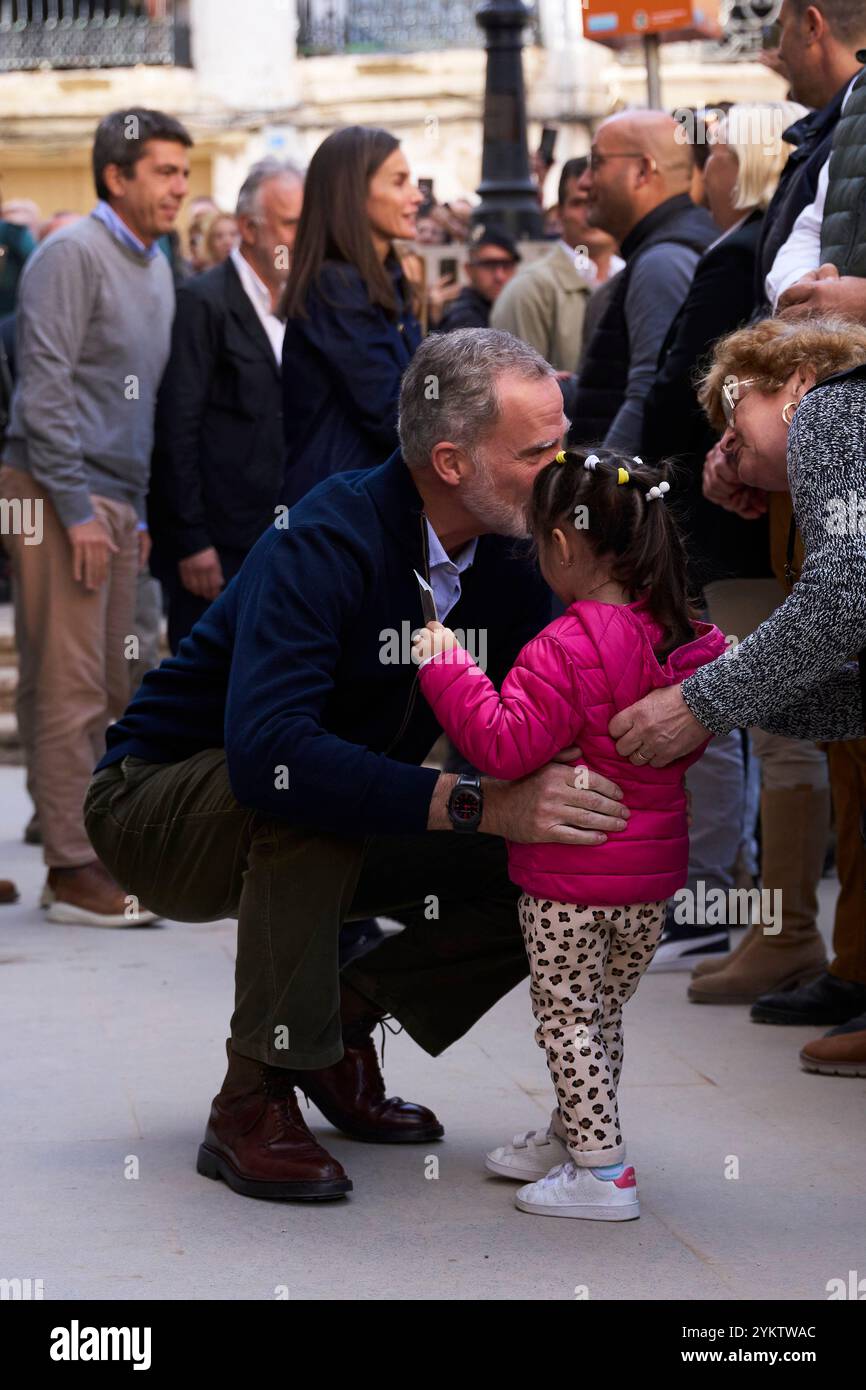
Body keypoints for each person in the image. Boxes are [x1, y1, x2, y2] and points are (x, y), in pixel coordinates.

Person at [83, 329, 633, 1204]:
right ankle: (251, 1099)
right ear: (451, 461)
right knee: (313, 794)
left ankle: (335, 1029)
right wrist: (475, 803)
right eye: (538, 452)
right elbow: (272, 759)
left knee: (559, 846)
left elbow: (548, 719)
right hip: (155, 810)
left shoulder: (511, 552)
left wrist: (651, 731)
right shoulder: (326, 536)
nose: (564, 471)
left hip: (313, 809)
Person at [412, 448, 724, 1219]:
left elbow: (505, 746)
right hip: (650, 882)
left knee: (565, 1018)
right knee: (602, 1013)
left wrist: (447, 664)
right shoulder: (687, 640)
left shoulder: (564, 649)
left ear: (559, 545)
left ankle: (604, 1173)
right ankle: (575, 1133)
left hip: (570, 883)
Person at [607, 315, 866, 1075]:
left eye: (730, 412)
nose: (725, 445)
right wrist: (721, 696)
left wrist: (699, 705)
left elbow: (844, 598)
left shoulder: (830, 409)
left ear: (788, 381)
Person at [0, 107, 192, 926]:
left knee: (106, 675)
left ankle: (63, 827)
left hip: (113, 495)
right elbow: (42, 392)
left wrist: (135, 509)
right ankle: (75, 871)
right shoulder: (70, 254)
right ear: (117, 176)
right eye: (164, 171)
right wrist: (77, 509)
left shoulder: (155, 264)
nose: (180, 187)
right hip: (49, 489)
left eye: (185, 172)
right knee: (74, 680)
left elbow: (140, 404)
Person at [641, 101, 814, 979]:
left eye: (708, 157)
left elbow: (682, 387)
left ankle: (779, 930)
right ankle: (771, 926)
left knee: (767, 724)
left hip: (739, 531)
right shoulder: (742, 252)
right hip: (735, 521)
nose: (697, 172)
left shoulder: (739, 255)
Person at [149, 158, 304, 650]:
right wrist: (192, 540)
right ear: (248, 228)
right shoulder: (203, 301)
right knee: (201, 694)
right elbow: (178, 425)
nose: (302, 238)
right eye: (290, 224)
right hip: (217, 547)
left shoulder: (300, 302)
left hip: (281, 536)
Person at [280, 125, 423, 506]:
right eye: (399, 182)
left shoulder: (386, 279)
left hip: (368, 497)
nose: (416, 195)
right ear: (354, 193)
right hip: (338, 508)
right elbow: (392, 408)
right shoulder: (333, 286)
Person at [567, 110, 717, 453]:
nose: (585, 181)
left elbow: (646, 399)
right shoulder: (673, 245)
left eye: (596, 162)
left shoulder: (661, 262)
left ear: (643, 171)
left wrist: (599, 488)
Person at [755, 0, 865, 315]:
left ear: (812, 26)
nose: (779, 51)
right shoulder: (858, 99)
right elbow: (810, 228)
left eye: (781, 29)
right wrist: (802, 289)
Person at [491, 157, 621, 373]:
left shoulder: (635, 275)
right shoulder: (529, 290)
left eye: (599, 199)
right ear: (560, 213)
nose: (591, 213)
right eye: (579, 203)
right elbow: (519, 391)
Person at [437, 226, 520, 331]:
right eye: (489, 265)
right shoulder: (464, 320)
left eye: (507, 265)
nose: (499, 276)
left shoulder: (511, 308)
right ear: (469, 270)